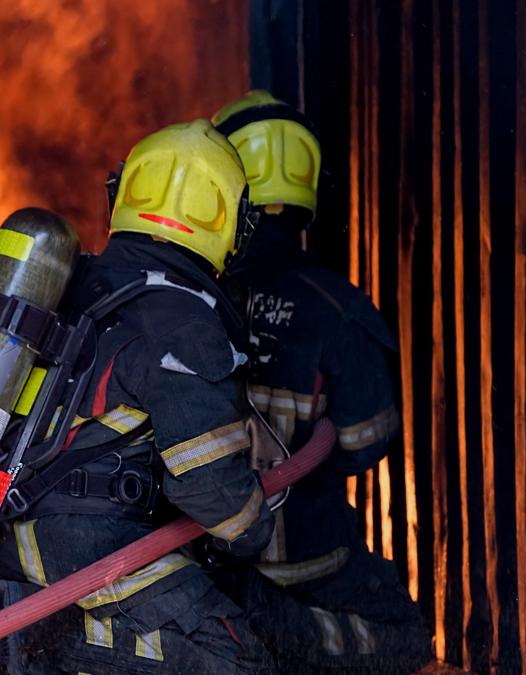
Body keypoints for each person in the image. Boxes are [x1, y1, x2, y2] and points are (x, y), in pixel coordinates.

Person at [0, 120, 275, 674]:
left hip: (6, 531)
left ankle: (36, 628)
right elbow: (211, 488)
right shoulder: (186, 325)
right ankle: (48, 645)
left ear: (122, 195)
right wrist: (251, 532)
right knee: (236, 660)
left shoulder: (76, 284)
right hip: (90, 546)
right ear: (231, 221)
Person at [210, 90, 432, 673]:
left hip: (208, 565)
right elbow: (364, 441)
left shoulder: (189, 304)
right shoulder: (338, 309)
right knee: (408, 639)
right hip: (313, 563)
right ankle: (293, 637)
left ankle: (256, 634)